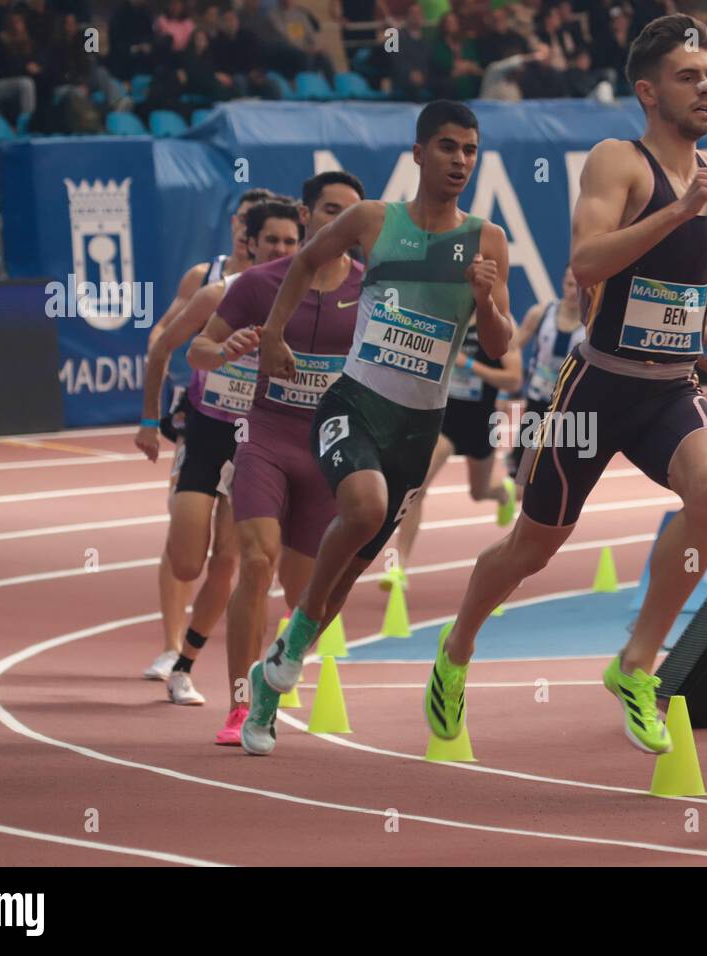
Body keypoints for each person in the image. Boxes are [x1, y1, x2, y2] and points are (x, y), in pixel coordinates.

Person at [427, 14, 707, 755]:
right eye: (689, 76)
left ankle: (637, 664)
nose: (706, 89)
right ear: (647, 90)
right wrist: (681, 205)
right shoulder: (618, 160)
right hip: (594, 392)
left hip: (669, 387)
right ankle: (458, 648)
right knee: (532, 548)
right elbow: (590, 261)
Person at [241, 100, 513, 755]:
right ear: (418, 153)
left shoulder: (486, 241)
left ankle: (268, 685)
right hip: (355, 403)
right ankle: (296, 639)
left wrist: (484, 298)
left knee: (336, 592)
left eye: (470, 151)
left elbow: (500, 345)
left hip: (417, 431)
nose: (460, 161)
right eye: (447, 147)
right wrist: (274, 334)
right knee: (364, 507)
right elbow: (304, 263)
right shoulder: (372, 221)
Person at [188, 173, 364, 732]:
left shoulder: (373, 288)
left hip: (328, 447)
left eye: (352, 213)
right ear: (307, 216)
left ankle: (274, 674)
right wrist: (226, 348)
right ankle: (240, 703)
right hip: (264, 436)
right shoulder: (258, 284)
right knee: (256, 560)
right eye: (330, 209)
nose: (341, 221)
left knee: (305, 591)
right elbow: (198, 348)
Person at [143, 200, 304, 728]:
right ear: (249, 243)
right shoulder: (218, 291)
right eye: (272, 241)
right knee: (189, 560)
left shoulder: (304, 301)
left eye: (290, 242)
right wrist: (149, 420)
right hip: (208, 429)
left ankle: (187, 666)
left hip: (256, 436)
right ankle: (182, 650)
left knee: (234, 560)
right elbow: (167, 347)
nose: (280, 250)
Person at [389, 316, 521, 589]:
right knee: (418, 486)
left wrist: (470, 365)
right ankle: (398, 565)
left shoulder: (500, 323)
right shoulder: (448, 314)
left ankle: (503, 492)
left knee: (479, 491)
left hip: (480, 421)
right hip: (445, 420)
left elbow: (513, 381)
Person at [505, 265, 585, 482]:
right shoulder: (540, 314)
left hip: (571, 407)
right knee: (520, 471)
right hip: (537, 401)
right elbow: (513, 348)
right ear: (562, 283)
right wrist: (504, 392)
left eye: (578, 286)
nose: (572, 291)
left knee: (558, 471)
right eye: (569, 284)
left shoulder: (592, 324)